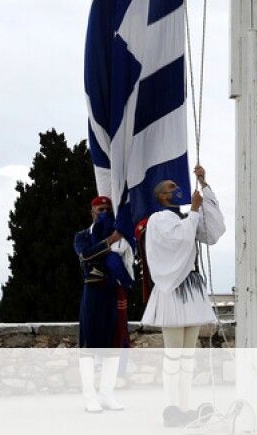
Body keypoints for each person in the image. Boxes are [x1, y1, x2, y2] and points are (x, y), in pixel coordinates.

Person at [140, 165, 225, 427]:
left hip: (190, 288)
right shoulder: (159, 220)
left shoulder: (183, 219)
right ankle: (171, 407)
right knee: (174, 353)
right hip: (172, 290)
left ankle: (185, 407)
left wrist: (204, 184)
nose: (177, 191)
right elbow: (177, 241)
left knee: (188, 355)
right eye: (172, 189)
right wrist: (195, 212)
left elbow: (213, 231)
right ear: (162, 197)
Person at [74, 196, 135, 413]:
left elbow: (126, 259)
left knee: (112, 346)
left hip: (112, 292)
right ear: (92, 210)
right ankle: (90, 396)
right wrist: (109, 242)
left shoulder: (120, 238)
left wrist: (111, 243)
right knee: (88, 347)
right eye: (100, 209)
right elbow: (85, 255)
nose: (104, 212)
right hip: (92, 293)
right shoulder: (82, 236)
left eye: (108, 209)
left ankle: (107, 394)